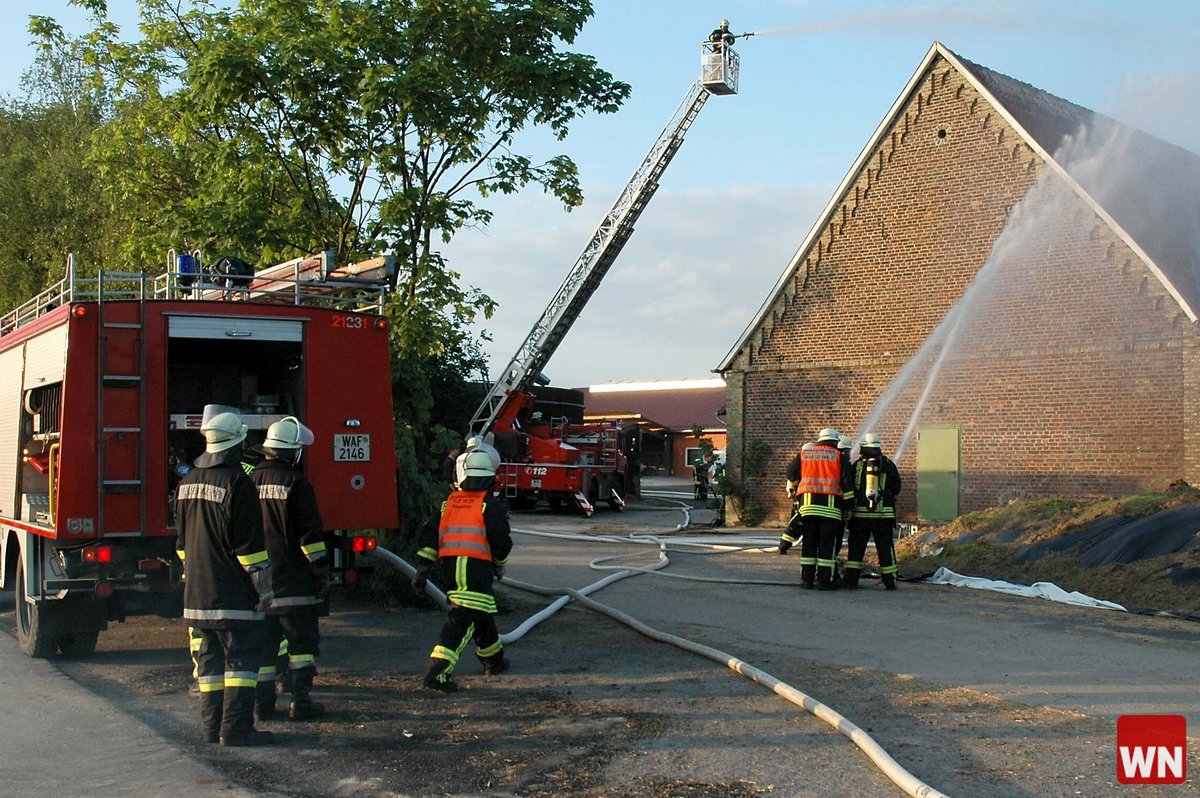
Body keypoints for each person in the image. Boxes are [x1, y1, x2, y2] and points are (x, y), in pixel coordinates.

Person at [174, 407, 275, 746]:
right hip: (233, 595)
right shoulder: (238, 483)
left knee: (211, 665)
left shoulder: (186, 483)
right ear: (233, 446)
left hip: (197, 596)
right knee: (242, 664)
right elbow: (250, 548)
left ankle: (210, 728)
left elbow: (182, 544)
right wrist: (264, 588)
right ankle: (235, 730)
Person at [412, 449, 514, 692]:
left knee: (481, 616)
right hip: (475, 574)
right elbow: (501, 542)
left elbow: (429, 539)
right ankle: (436, 672)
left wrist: (422, 571)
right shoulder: (490, 506)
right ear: (491, 478)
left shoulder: (449, 504)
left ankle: (493, 660)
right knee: (461, 622)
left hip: (452, 574)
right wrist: (499, 566)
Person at [251, 416, 330, 721]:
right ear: (293, 452)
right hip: (294, 581)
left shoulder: (249, 481)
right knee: (301, 646)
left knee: (266, 648)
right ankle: (301, 701)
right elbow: (310, 537)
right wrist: (320, 571)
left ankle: (263, 705)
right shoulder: (296, 484)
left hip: (259, 582)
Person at [781, 428, 853, 590]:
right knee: (826, 547)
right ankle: (825, 581)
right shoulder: (839, 457)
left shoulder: (805, 454)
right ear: (835, 442)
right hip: (830, 510)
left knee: (809, 544)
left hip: (807, 509)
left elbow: (791, 474)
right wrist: (848, 508)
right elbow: (847, 484)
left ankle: (807, 580)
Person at [845, 432, 902, 590]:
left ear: (863, 447)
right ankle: (890, 581)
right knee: (885, 548)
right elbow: (897, 487)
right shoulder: (888, 464)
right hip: (883, 516)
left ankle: (851, 580)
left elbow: (848, 487)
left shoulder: (856, 465)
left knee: (856, 549)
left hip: (859, 516)